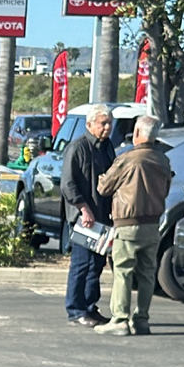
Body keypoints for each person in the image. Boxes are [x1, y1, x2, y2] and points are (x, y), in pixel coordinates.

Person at [94, 115, 174, 336]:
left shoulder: (128, 159)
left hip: (128, 223)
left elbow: (104, 187)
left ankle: (120, 319)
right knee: (147, 273)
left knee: (123, 271)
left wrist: (102, 177)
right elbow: (166, 189)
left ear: (137, 133)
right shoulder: (163, 160)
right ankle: (142, 319)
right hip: (153, 224)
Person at [61, 105, 116, 327]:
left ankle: (90, 307)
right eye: (103, 123)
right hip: (84, 217)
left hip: (103, 217)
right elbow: (68, 183)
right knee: (81, 264)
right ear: (90, 124)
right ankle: (75, 309)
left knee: (97, 264)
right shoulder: (78, 148)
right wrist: (84, 208)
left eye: (109, 123)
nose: (107, 127)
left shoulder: (107, 147)